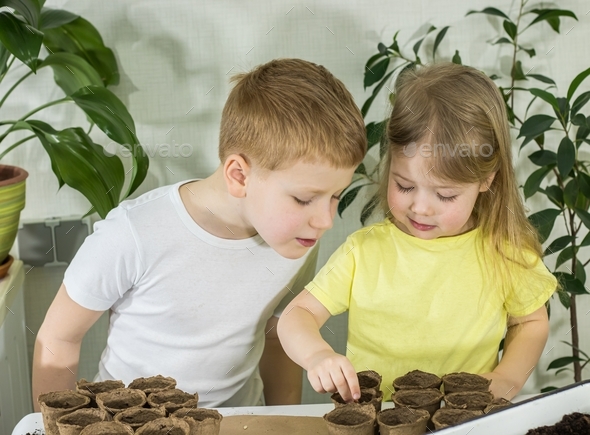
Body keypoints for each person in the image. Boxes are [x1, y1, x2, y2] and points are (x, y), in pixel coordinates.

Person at [32, 58, 367, 409]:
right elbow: (59, 337)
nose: (325, 220)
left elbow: (278, 332)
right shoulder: (133, 232)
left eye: (335, 196)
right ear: (239, 176)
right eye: (304, 199)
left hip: (238, 424)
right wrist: (46, 427)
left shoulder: (295, 236)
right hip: (131, 424)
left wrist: (283, 421)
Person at [277, 62, 557, 403]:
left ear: (486, 179)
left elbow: (529, 323)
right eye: (405, 185)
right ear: (389, 163)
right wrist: (317, 355)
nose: (421, 208)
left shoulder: (504, 251)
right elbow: (296, 316)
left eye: (445, 195)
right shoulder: (365, 251)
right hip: (376, 419)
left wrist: (507, 377)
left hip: (464, 420)